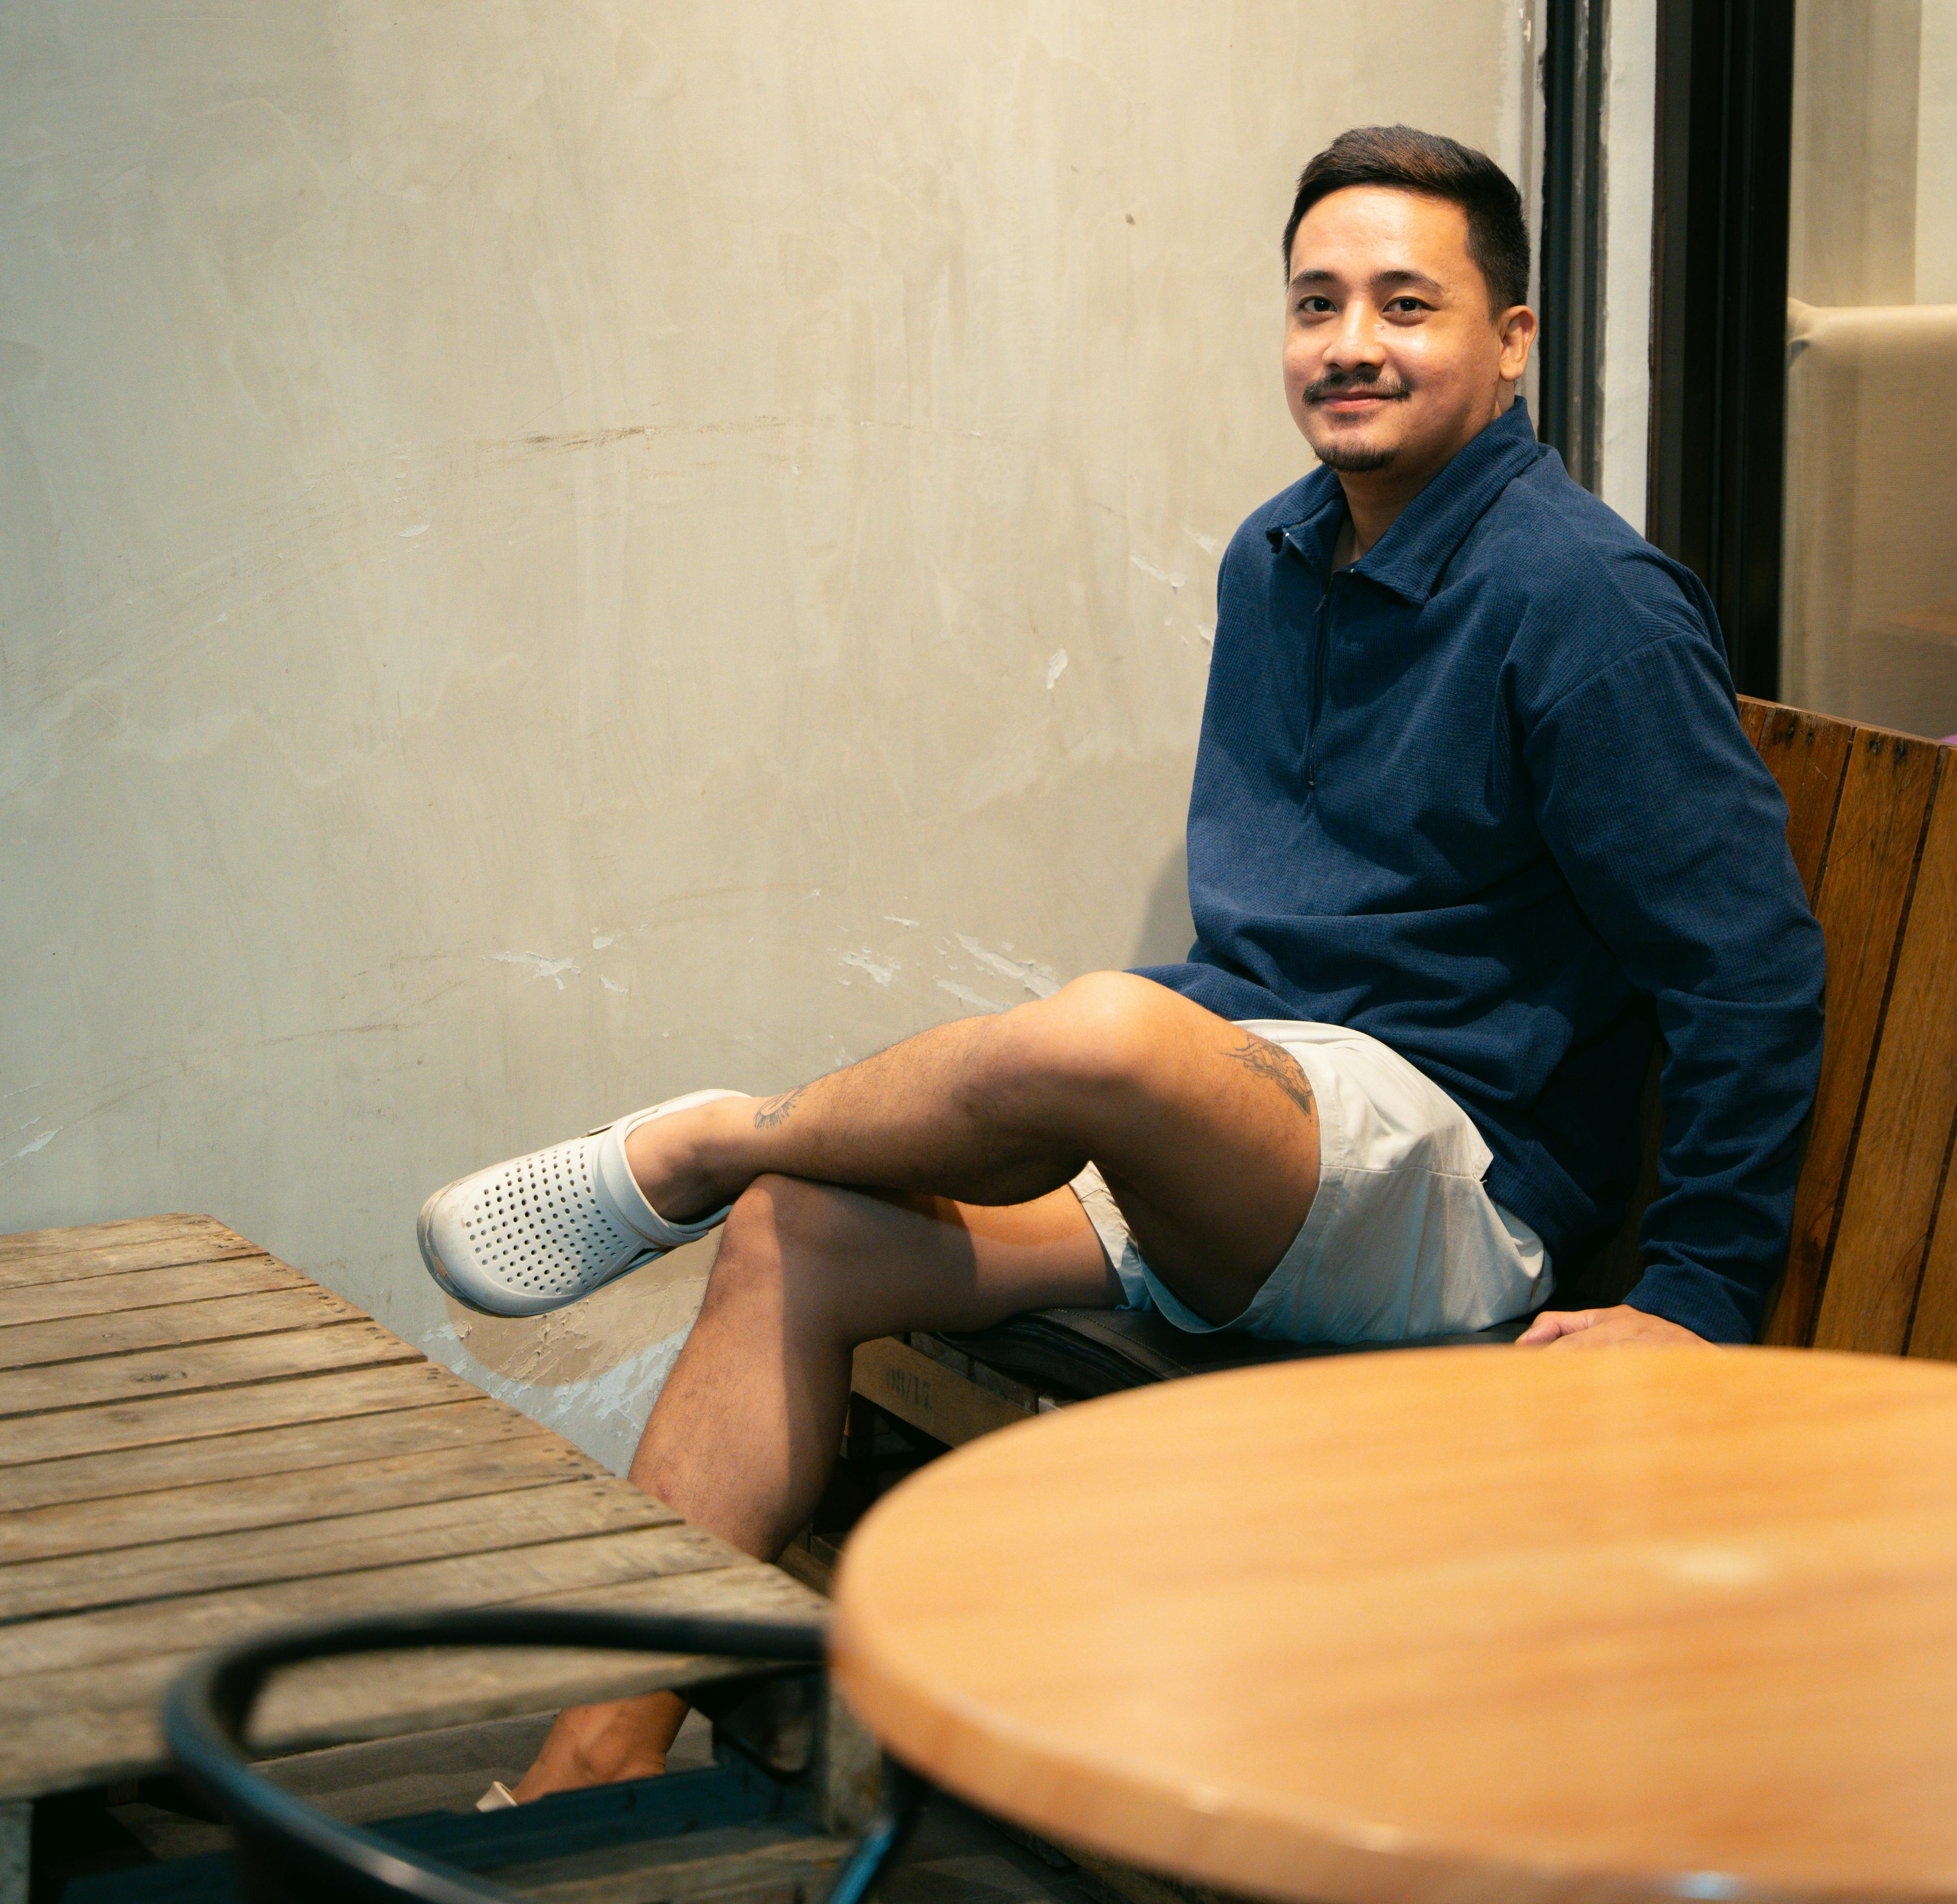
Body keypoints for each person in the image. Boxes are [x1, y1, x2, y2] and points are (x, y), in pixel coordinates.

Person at [418, 125, 1825, 1799]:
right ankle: (581, 1783)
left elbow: (1749, 965)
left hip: (1447, 1189)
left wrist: (1694, 1304)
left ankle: (710, 1141)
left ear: (1512, 342)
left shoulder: (1587, 601)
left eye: (1408, 304)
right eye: (1318, 302)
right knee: (805, 1241)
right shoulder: (1279, 554)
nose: (1352, 343)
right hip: (1251, 1134)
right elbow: (1283, 939)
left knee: (1100, 1034)